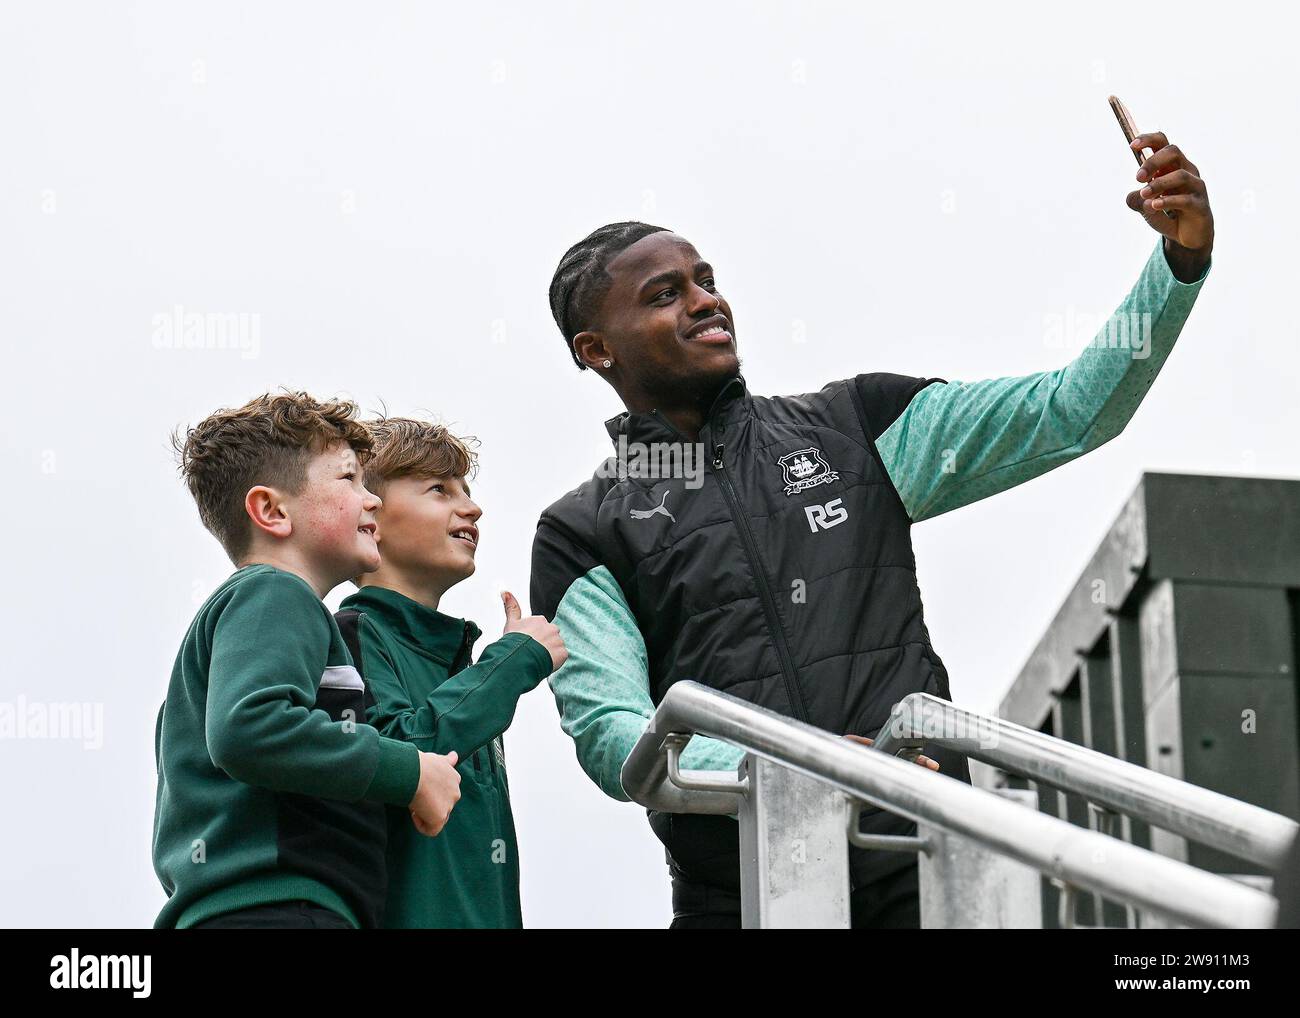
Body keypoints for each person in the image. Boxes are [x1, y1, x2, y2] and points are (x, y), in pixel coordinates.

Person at [530, 133, 1214, 927]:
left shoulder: (857, 423)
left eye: (707, 281)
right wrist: (802, 768)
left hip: (926, 868)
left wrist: (1178, 264)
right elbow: (617, 740)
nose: (705, 300)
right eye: (664, 294)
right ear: (596, 349)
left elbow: (1072, 409)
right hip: (739, 899)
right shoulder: (581, 530)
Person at [152, 392, 463, 929]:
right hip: (279, 913)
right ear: (271, 511)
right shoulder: (274, 593)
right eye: (349, 480)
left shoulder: (265, 612)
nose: (373, 501)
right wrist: (408, 769)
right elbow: (250, 729)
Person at [338, 417, 566, 927]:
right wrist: (512, 663)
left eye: (466, 489)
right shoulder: (352, 633)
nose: (473, 507)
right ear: (370, 515)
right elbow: (400, 753)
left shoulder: (456, 662)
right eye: (439, 489)